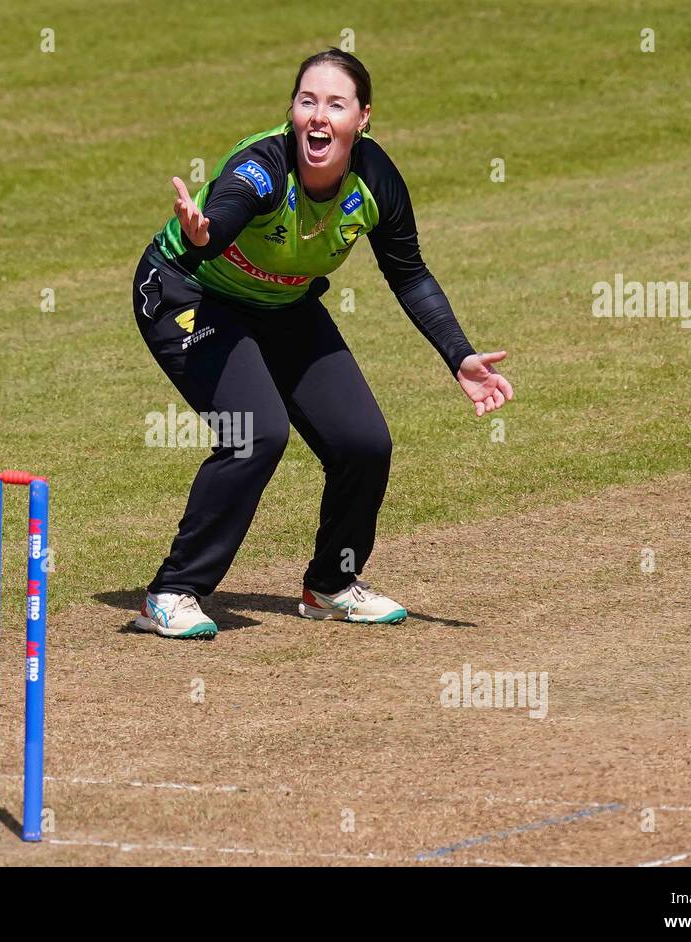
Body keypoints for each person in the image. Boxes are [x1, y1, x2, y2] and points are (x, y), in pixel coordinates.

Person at [131, 48, 513, 638]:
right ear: (292, 111)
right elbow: (226, 213)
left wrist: (459, 356)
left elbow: (408, 273)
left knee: (363, 442)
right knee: (256, 433)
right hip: (189, 293)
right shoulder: (263, 166)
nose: (318, 115)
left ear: (362, 118)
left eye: (335, 104)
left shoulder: (377, 181)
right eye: (307, 101)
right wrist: (205, 232)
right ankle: (173, 591)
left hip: (281, 304)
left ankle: (331, 585)